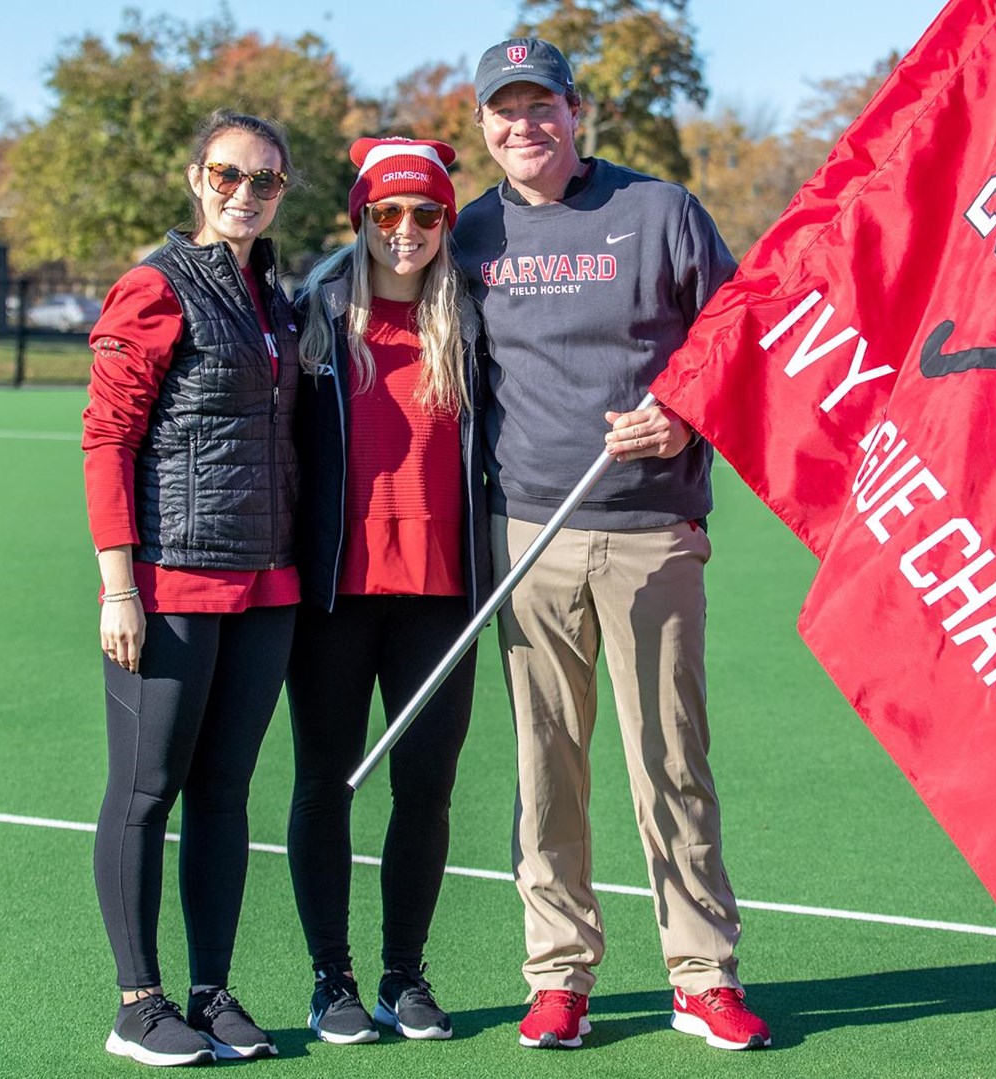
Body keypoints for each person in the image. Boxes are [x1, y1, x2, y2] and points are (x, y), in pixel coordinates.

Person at [453, 37, 771, 1052]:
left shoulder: (660, 209)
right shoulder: (470, 232)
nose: (525, 126)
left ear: (575, 110)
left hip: (650, 530)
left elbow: (741, 343)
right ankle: (558, 973)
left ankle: (701, 971)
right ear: (483, 127)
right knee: (546, 765)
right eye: (504, 112)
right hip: (528, 534)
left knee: (670, 759)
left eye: (541, 105)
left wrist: (682, 419)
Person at [82, 109, 300, 1067]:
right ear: (194, 177)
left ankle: (210, 992)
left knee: (225, 790)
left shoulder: (273, 297)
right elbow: (106, 438)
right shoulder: (154, 287)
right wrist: (117, 587)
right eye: (227, 175)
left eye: (263, 181)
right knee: (146, 788)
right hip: (170, 580)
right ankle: (138, 1002)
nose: (243, 194)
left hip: (266, 581)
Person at [284, 136, 491, 1045]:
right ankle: (331, 978)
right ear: (361, 219)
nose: (406, 230)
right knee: (325, 781)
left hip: (445, 596)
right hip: (336, 593)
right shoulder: (318, 312)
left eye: (426, 214)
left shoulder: (475, 316)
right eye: (387, 213)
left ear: (447, 221)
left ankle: (404, 974)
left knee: (426, 789)